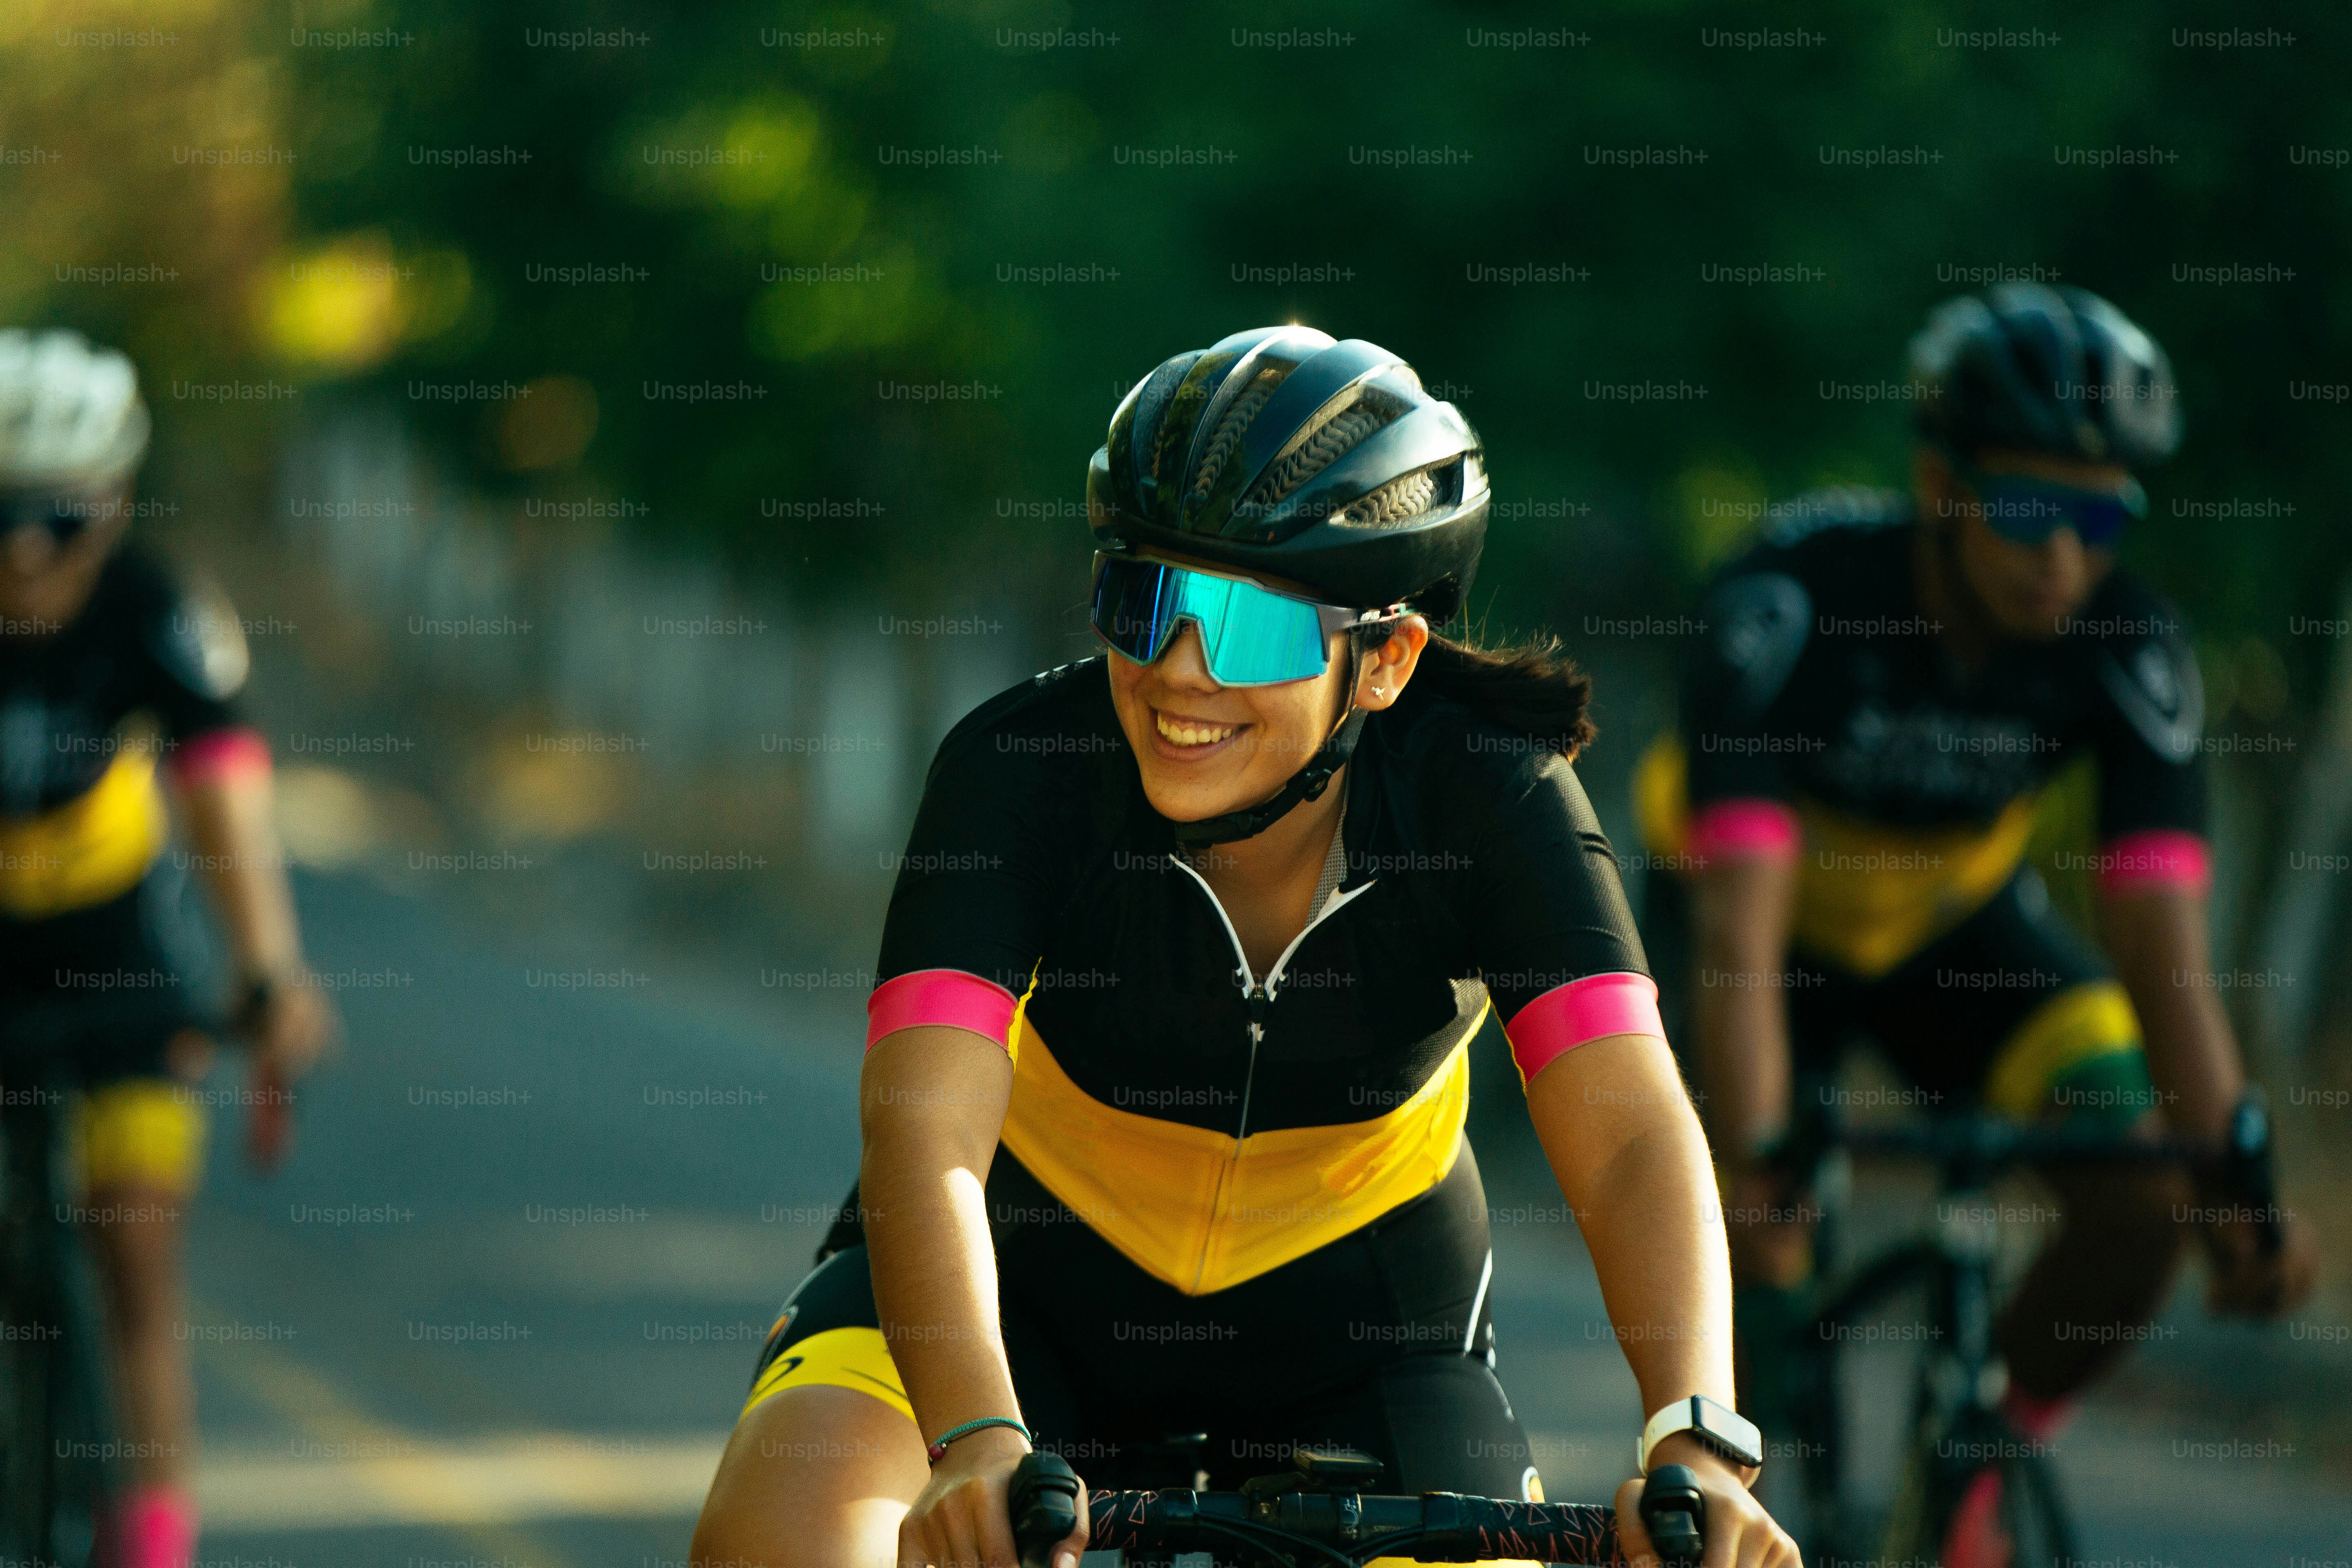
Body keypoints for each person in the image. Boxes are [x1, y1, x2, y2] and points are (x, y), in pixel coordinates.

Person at [691, 325, 1797, 1568]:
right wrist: (972, 1438)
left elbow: (1635, 1130)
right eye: (1143, 598)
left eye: (1252, 629)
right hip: (1011, 1298)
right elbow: (924, 1130)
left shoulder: (1495, 799)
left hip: (1363, 1338)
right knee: (795, 1539)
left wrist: (1696, 1438)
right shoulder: (1020, 771)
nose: (1179, 673)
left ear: (1386, 658)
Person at [1633, 284, 2318, 1567]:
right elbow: (1739, 926)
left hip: (1954, 925)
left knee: (2145, 1198)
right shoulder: (1795, 602)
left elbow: (2161, 937)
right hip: (1756, 939)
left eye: (2099, 515)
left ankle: (1979, 1469)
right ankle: (1740, 1476)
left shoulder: (2125, 641)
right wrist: (1756, 1155)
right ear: (1942, 485)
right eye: (2026, 508)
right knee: (1750, 1229)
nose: (2063, 553)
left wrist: (2240, 1178)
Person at [0, 329, 336, 1568]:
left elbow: (224, 789)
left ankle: (152, 1545)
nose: (25, 552)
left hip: (114, 960)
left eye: (61, 519)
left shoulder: (156, 604)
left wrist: (270, 969)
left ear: (118, 503)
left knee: (137, 1253)